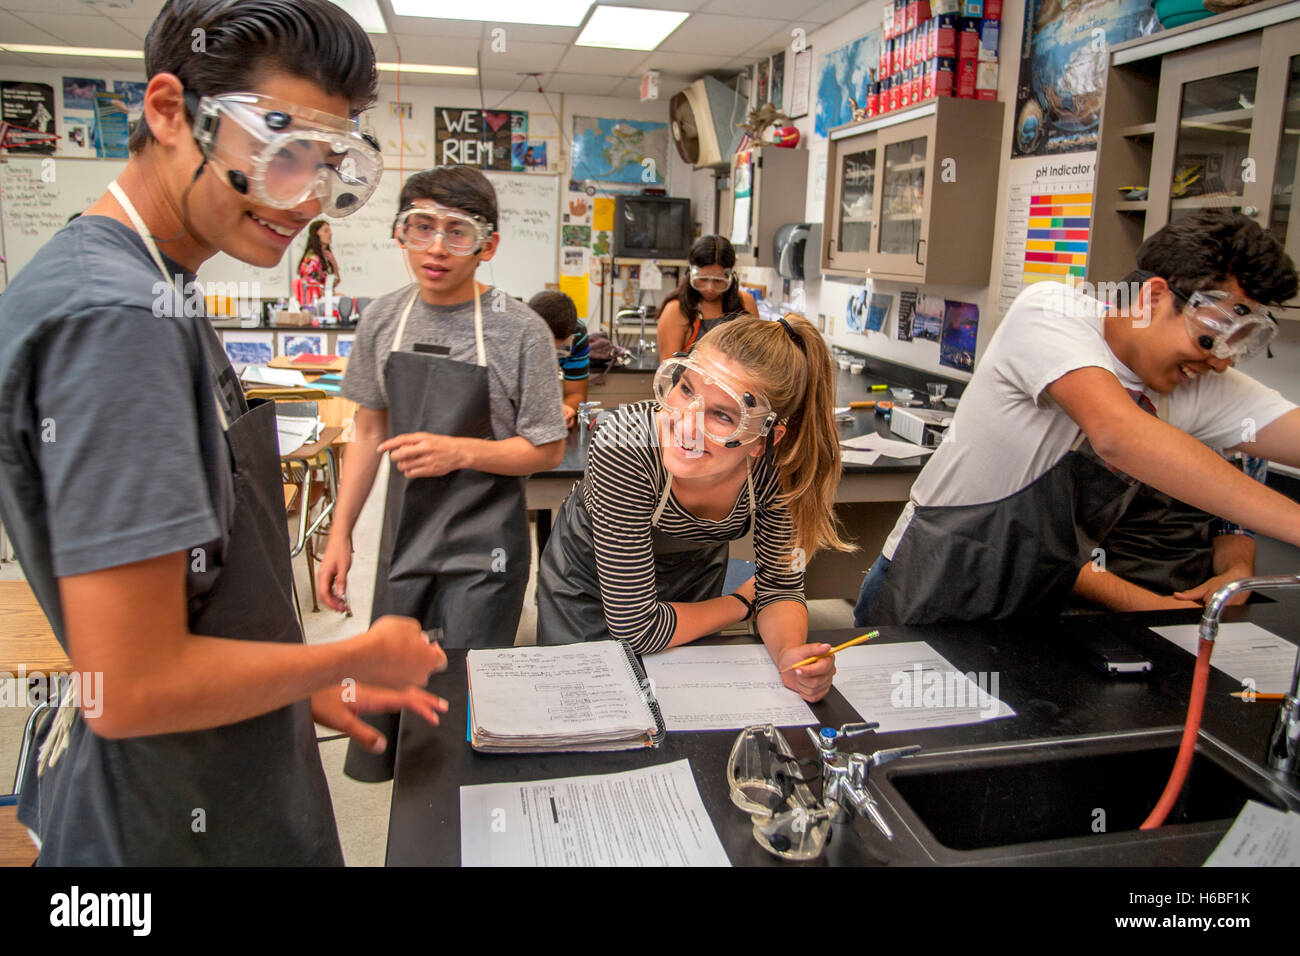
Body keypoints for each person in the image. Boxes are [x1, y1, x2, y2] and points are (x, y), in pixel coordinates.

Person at [0, 0, 448, 866]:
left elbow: (186, 601)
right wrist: (341, 656)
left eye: (328, 166)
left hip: (216, 766)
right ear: (169, 112)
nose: (304, 199)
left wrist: (288, 690)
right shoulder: (115, 319)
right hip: (168, 822)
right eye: (281, 155)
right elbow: (131, 687)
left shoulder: (147, 281)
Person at [854, 210, 1300, 627]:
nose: (1220, 363)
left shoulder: (1188, 382)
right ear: (1154, 297)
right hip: (929, 588)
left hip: (1038, 613)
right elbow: (1118, 434)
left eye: (1236, 348)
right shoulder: (1051, 312)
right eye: (1209, 340)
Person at [319, 165, 567, 781]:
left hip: (484, 555)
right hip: (402, 546)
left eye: (457, 232)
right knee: (392, 696)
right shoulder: (381, 319)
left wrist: (463, 452)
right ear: (399, 233)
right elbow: (368, 431)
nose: (435, 248)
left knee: (463, 699)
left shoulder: (520, 331)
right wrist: (340, 532)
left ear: (488, 244)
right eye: (420, 227)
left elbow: (548, 449)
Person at [536, 314, 851, 701]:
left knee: (681, 706)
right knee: (582, 706)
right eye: (685, 390)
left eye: (722, 415)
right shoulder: (623, 444)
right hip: (589, 583)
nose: (684, 426)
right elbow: (635, 626)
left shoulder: (781, 470)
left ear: (763, 438)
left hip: (692, 580)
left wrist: (789, 655)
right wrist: (741, 601)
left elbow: (781, 588)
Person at [1071, 453, 1268, 612]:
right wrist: (1153, 606)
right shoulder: (1100, 426)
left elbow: (1232, 526)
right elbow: (1057, 549)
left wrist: (1236, 571)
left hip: (1188, 601)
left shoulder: (1246, 433)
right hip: (1090, 609)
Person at [655, 235, 758, 356]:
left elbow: (754, 358)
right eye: (703, 279)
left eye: (718, 281)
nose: (710, 289)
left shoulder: (745, 303)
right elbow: (668, 369)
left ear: (730, 277)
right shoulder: (676, 310)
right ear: (691, 275)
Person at [529, 289, 588, 429]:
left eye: (558, 348)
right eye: (544, 347)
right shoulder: (511, 335)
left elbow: (577, 393)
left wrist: (564, 411)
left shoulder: (577, 335)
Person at [297, 218, 341, 305]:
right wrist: (330, 296)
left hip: (325, 301)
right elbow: (309, 286)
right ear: (316, 234)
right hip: (315, 303)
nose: (330, 234)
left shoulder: (326, 256)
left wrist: (334, 264)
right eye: (326, 231)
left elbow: (335, 282)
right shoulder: (311, 259)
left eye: (330, 231)